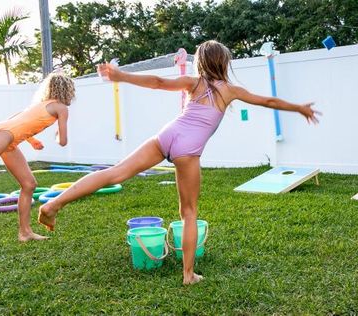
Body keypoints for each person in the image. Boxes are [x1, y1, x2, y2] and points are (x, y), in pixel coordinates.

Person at [38, 40, 320, 284]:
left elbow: (158, 83)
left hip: (167, 135)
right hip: (188, 150)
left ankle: (54, 204)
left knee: (115, 173)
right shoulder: (229, 90)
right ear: (223, 63)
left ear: (201, 63)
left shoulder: (193, 83)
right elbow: (267, 101)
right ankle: (188, 275)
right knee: (188, 213)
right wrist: (299, 108)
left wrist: (121, 76)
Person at [0, 72, 75, 242]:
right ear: (67, 90)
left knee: (29, 184)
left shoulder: (39, 105)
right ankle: (25, 232)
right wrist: (58, 133)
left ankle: (25, 232)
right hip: (3, 136)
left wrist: (32, 140)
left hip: (8, 140)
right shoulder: (61, 108)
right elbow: (63, 141)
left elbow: (15, 120)